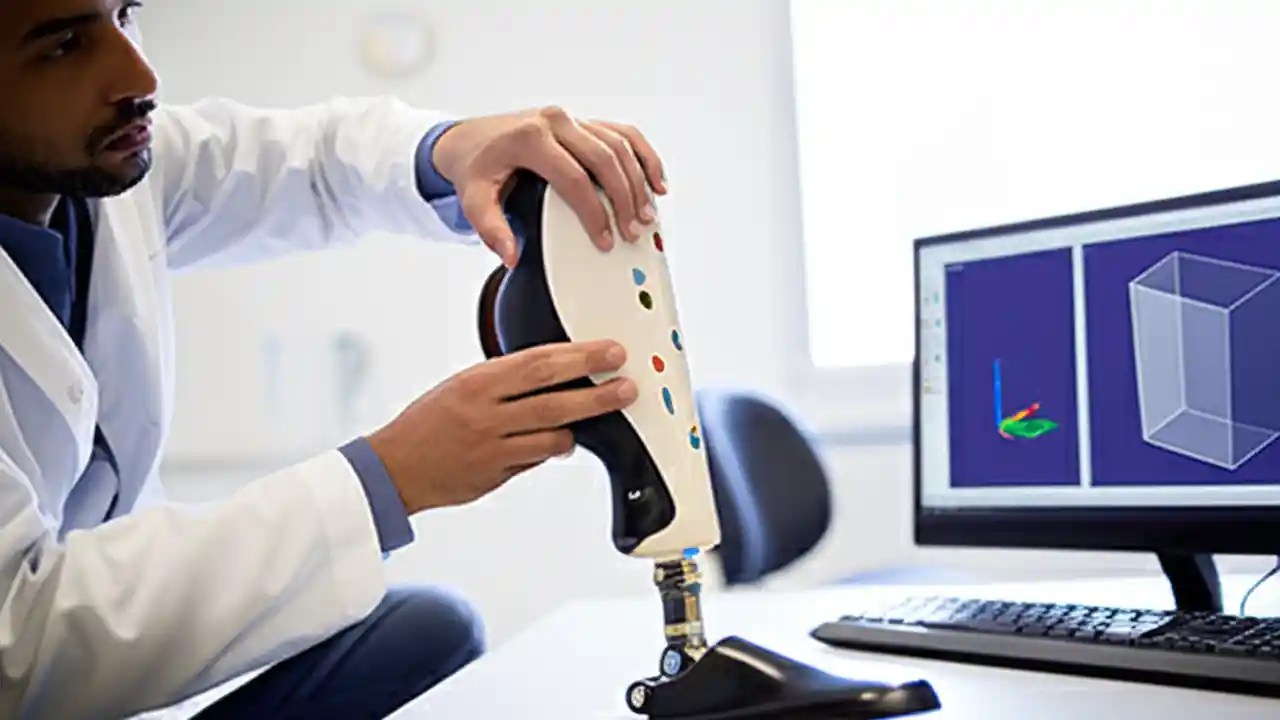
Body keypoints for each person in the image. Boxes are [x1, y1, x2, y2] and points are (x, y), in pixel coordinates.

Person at [0, 1, 667, 717]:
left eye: (126, 13)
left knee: (427, 631)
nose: (141, 73)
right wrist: (391, 476)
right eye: (65, 44)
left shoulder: (102, 170)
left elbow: (306, 162)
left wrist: (453, 149)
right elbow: (21, 643)